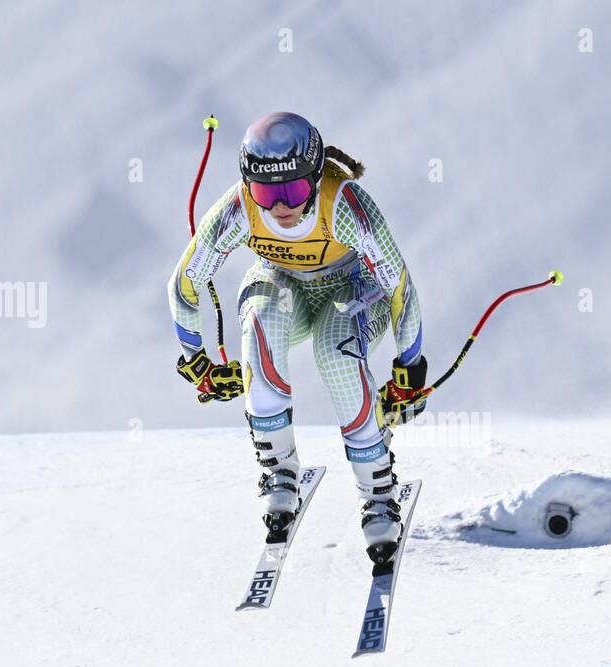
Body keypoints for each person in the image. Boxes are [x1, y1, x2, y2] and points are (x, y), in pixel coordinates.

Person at [167, 112, 426, 564]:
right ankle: (278, 470)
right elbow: (184, 283)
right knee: (259, 324)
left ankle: (378, 491)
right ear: (249, 185)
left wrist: (410, 366)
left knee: (335, 349)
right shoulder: (242, 208)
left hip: (352, 287)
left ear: (314, 175)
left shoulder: (343, 204)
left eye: (294, 190)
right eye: (267, 193)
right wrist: (197, 361)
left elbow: (398, 285)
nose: (280, 207)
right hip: (284, 283)